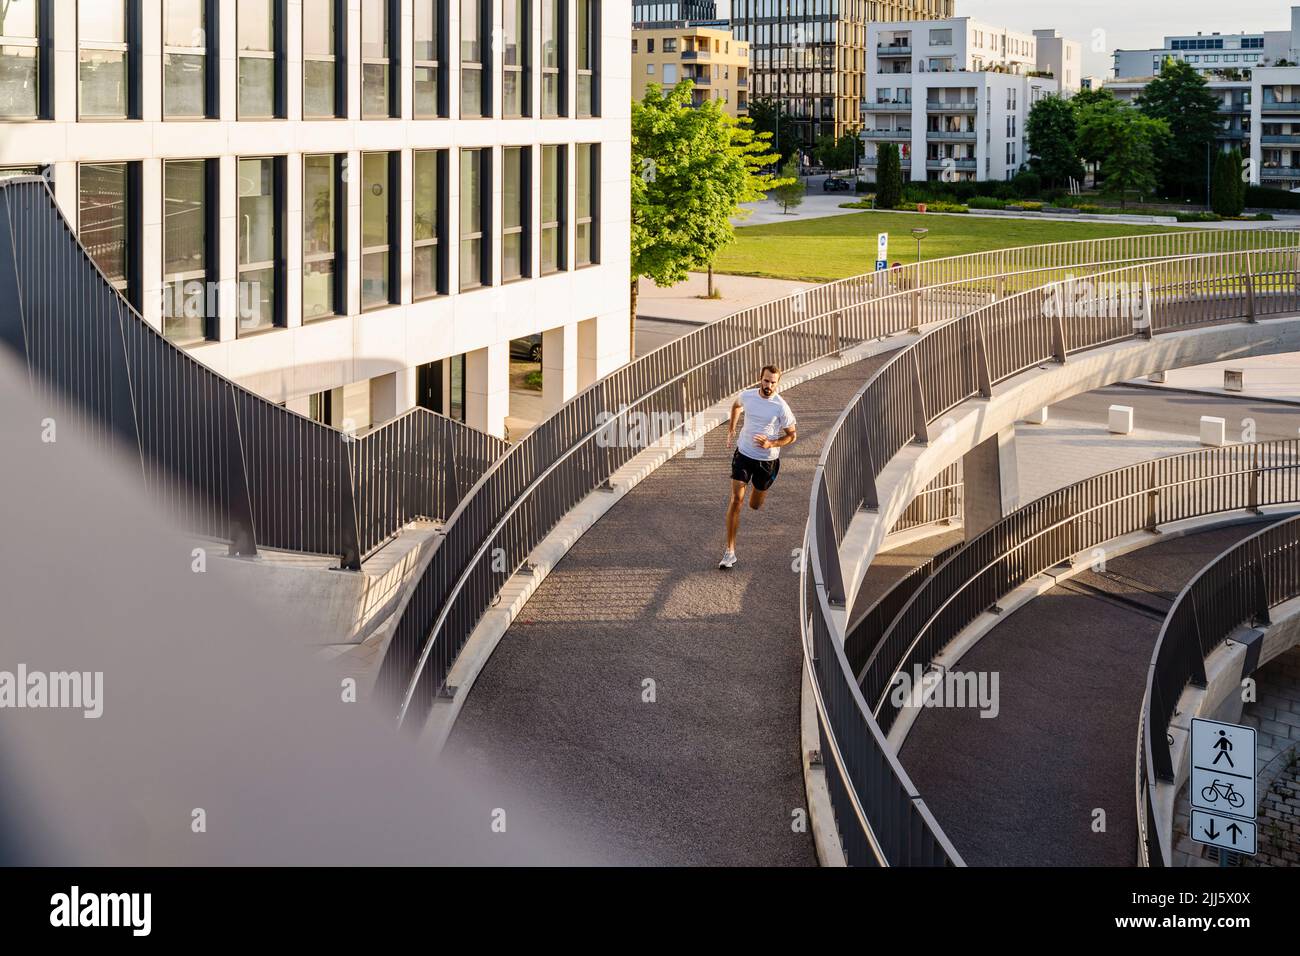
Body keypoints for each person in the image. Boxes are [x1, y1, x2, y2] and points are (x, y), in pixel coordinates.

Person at [719, 365, 798, 569]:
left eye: (773, 382)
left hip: (767, 460)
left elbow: (792, 435)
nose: (768, 385)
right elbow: (736, 406)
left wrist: (771, 443)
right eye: (766, 380)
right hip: (744, 454)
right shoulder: (748, 396)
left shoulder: (781, 407)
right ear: (759, 379)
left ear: (777, 384)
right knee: (736, 500)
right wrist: (731, 430)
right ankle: (730, 552)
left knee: (754, 505)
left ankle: (759, 486)